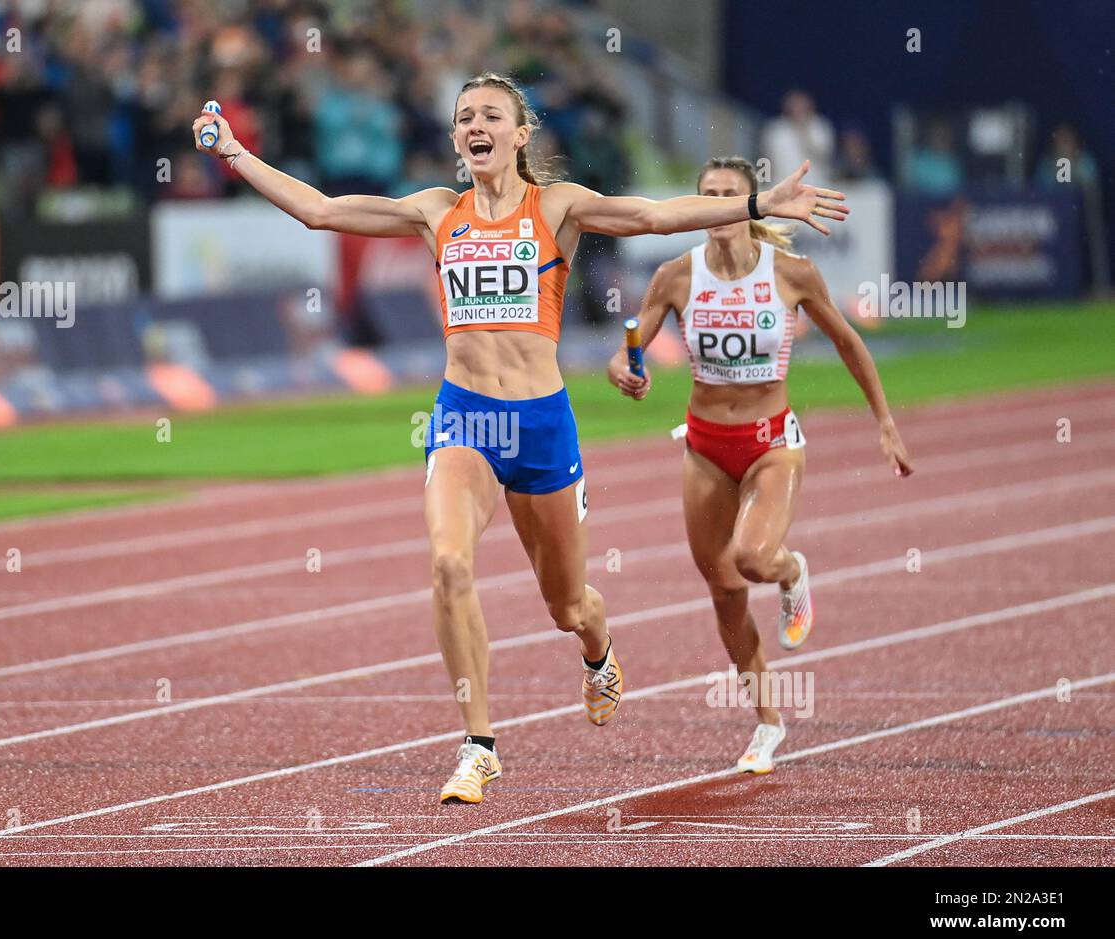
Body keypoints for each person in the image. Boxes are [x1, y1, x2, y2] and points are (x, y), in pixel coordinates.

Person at [194, 75, 849, 805]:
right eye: (464, 117)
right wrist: (235, 154)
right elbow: (319, 210)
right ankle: (478, 745)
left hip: (541, 425)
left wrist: (757, 203)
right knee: (448, 564)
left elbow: (654, 216)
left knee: (569, 606)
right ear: (455, 140)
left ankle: (598, 654)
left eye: (491, 116)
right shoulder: (434, 211)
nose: (476, 126)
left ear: (519, 133)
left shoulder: (557, 205)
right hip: (465, 417)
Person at [606, 156, 910, 775]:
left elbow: (849, 342)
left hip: (772, 442)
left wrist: (883, 420)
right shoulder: (675, 275)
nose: (718, 205)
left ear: (752, 203)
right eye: (708, 194)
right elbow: (631, 345)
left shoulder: (791, 274)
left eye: (729, 194)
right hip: (704, 446)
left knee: (751, 559)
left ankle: (793, 570)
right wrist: (623, 367)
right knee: (723, 590)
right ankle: (768, 723)